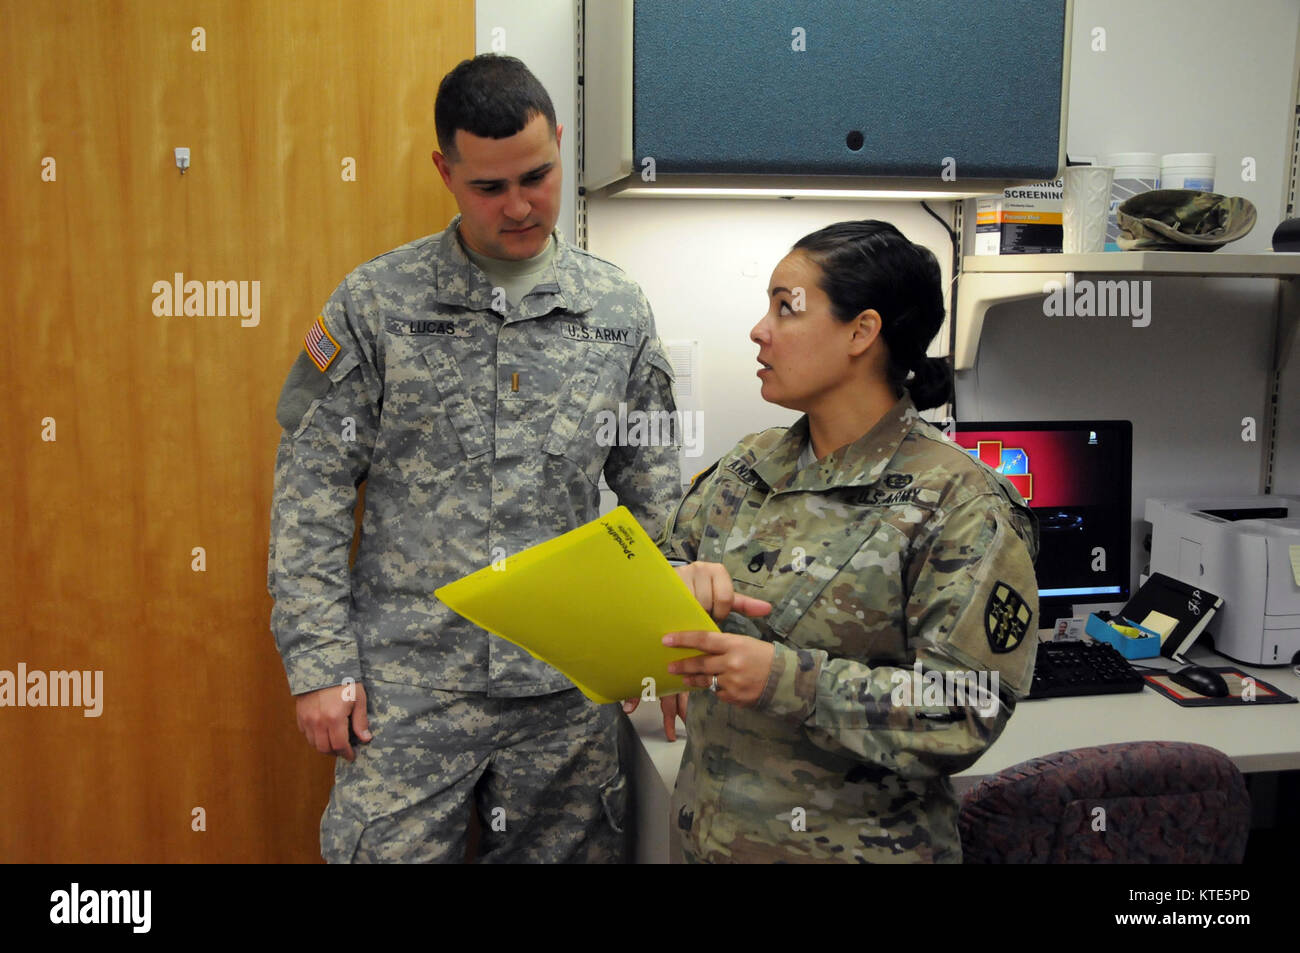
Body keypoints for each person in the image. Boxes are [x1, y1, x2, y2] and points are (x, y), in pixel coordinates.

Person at [267, 54, 680, 863]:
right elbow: (309, 495)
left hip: (564, 692)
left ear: (560, 143)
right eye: (489, 188)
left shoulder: (617, 309)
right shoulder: (376, 303)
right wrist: (318, 664)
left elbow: (655, 495)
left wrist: (659, 644)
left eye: (538, 175)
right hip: (408, 692)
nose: (520, 206)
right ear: (445, 172)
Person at [651, 220, 1040, 863]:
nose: (760, 329)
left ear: (861, 332)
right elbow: (663, 560)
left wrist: (786, 679)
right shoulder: (746, 468)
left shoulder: (959, 503)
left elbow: (967, 709)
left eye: (786, 307)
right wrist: (671, 588)